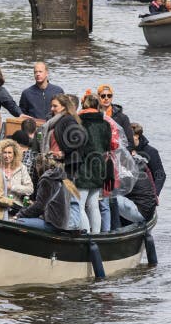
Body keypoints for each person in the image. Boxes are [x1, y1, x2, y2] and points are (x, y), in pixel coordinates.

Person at [75, 94, 114, 234]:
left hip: (83, 168)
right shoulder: (106, 124)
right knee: (94, 205)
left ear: (84, 105)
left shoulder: (79, 123)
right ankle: (96, 235)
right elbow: (108, 147)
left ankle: (86, 235)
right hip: (100, 167)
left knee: (79, 206)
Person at [14, 156, 82, 232]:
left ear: (38, 166)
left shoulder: (47, 179)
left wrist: (20, 214)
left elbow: (39, 206)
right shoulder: (63, 177)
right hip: (67, 222)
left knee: (18, 222)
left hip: (55, 224)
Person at [36, 94, 86, 178]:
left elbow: (80, 138)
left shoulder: (68, 119)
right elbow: (39, 135)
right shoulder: (55, 120)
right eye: (51, 106)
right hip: (53, 162)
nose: (52, 109)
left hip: (65, 165)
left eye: (55, 106)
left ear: (64, 107)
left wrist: (64, 152)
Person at [97, 84, 134, 151]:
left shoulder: (123, 118)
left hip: (118, 153)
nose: (106, 98)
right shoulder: (94, 115)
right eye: (103, 96)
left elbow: (130, 142)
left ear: (112, 97)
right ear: (98, 97)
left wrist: (119, 153)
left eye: (109, 95)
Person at [132, 123, 166, 196]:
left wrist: (155, 195)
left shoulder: (151, 152)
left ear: (136, 136)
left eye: (128, 136)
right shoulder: (126, 150)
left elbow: (160, 175)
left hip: (146, 194)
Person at [0, 138, 34, 208]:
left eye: (9, 153)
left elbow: (30, 189)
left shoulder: (21, 168)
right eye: (4, 152)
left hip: (16, 206)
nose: (7, 156)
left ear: (14, 154)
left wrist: (12, 187)